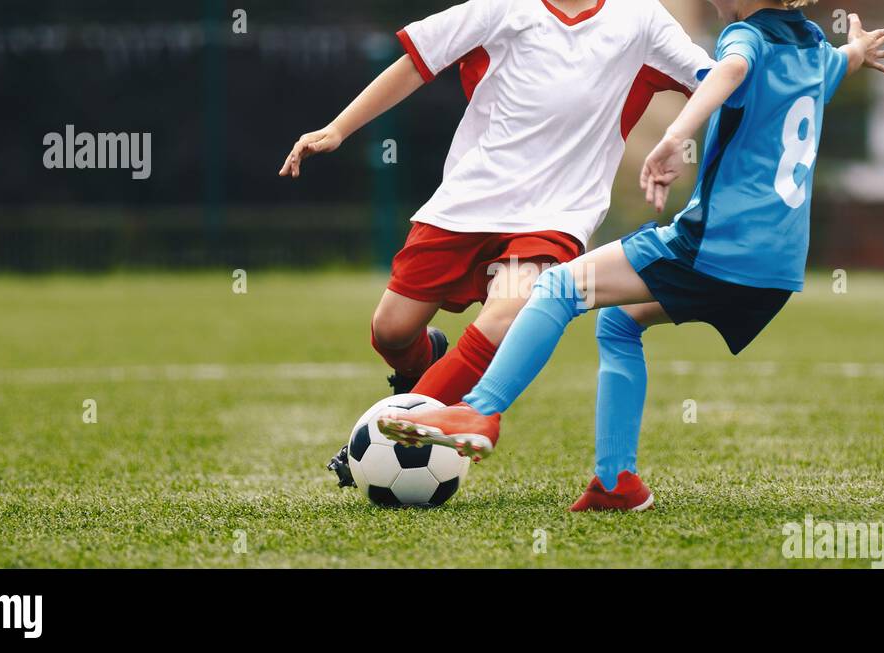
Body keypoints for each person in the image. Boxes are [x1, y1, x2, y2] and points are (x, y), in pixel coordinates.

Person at [377, 0, 884, 511]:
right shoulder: (810, 48)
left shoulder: (746, 38)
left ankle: (480, 411)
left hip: (715, 246)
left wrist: (674, 136)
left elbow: (730, 71)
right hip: (778, 269)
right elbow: (836, 65)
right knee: (620, 325)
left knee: (557, 289)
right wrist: (854, 50)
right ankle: (616, 482)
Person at [277, 0, 715, 487]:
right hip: (467, 202)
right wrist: (338, 129)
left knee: (502, 318)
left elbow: (718, 83)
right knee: (391, 331)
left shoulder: (642, 19)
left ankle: (387, 435)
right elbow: (419, 60)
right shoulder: (503, 7)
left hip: (556, 213)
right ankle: (425, 371)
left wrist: (681, 137)